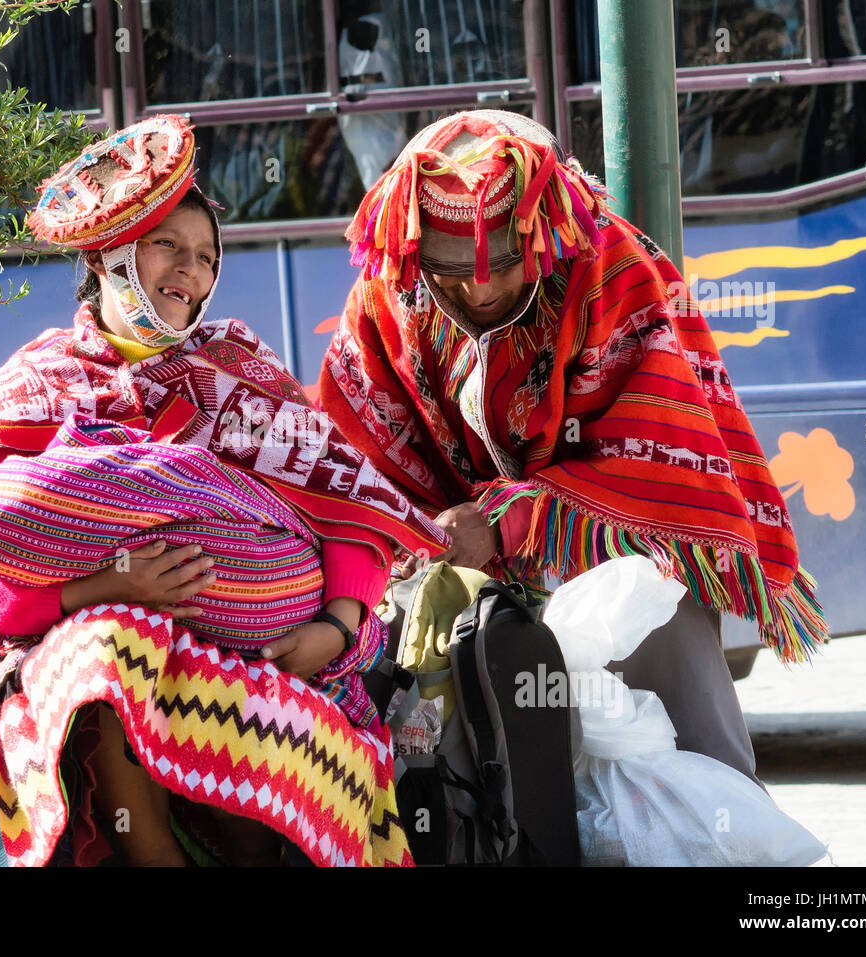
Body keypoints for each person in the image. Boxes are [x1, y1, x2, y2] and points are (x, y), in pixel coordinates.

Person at [0, 114, 446, 866]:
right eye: (167, 246)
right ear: (108, 256)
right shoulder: (33, 390)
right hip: (101, 698)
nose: (188, 272)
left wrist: (334, 624)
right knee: (112, 649)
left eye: (204, 256)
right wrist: (106, 585)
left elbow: (347, 511)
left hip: (269, 664)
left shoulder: (240, 372)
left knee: (268, 728)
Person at [318, 110, 828, 785]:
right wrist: (418, 538)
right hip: (460, 564)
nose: (478, 287)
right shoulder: (391, 288)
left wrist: (511, 520)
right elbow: (351, 448)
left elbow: (659, 462)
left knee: (666, 646)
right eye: (449, 269)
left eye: (502, 261)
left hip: (626, 541)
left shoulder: (611, 266)